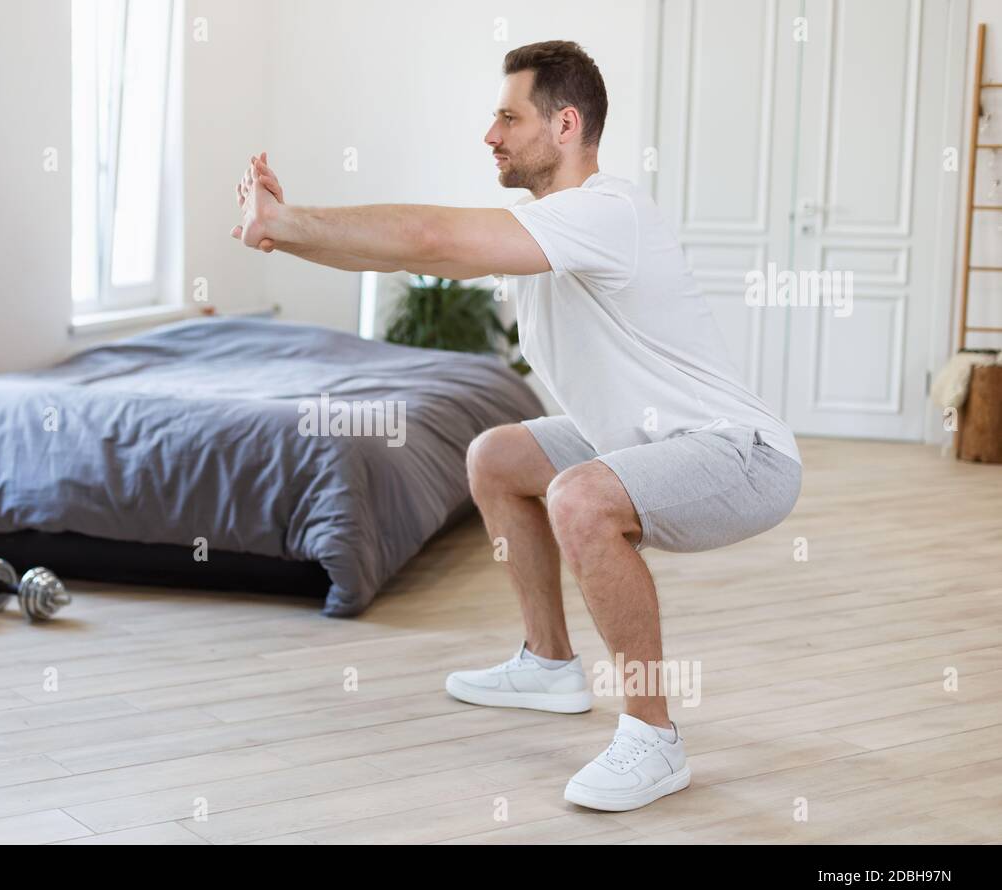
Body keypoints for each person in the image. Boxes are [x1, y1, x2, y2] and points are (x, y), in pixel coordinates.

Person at [232, 40, 801, 812]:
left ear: (566, 126)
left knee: (578, 497)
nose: (490, 135)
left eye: (508, 116)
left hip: (742, 455)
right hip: (641, 441)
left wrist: (293, 218)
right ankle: (548, 661)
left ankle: (654, 736)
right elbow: (408, 254)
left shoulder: (608, 211)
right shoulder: (546, 232)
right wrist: (283, 231)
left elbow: (434, 238)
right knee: (498, 457)